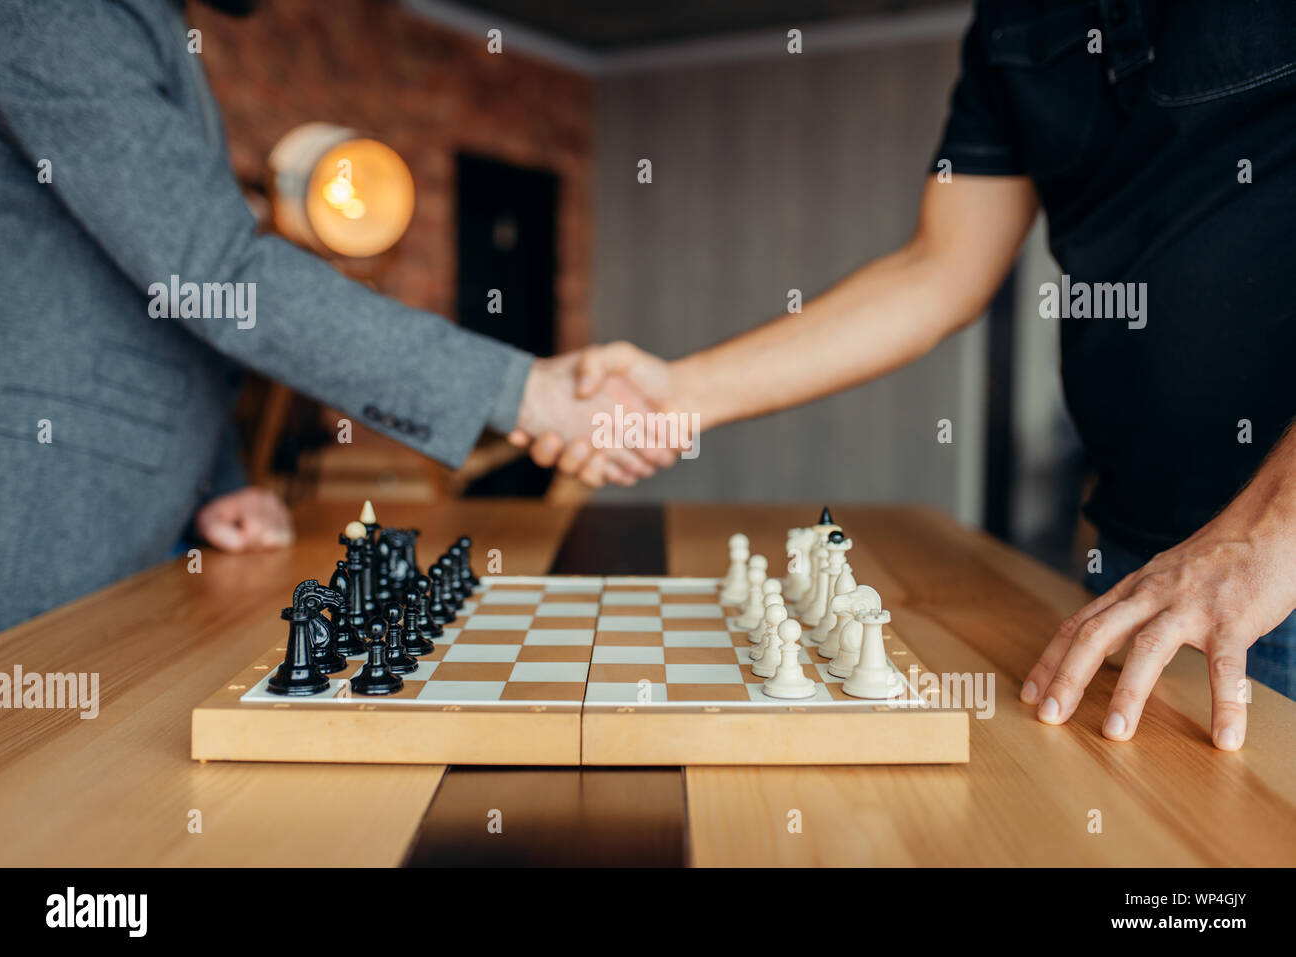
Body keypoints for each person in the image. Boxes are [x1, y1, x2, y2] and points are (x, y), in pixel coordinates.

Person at [516, 0, 1296, 750]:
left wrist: (1270, 535)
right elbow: (941, 269)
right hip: (1139, 556)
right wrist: (681, 395)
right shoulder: (1007, 20)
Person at [0, 0, 667, 632]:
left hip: (141, 509)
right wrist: (522, 391)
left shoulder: (162, 28)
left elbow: (161, 303)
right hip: (40, 509)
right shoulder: (57, 11)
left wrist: (221, 482)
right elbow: (220, 274)